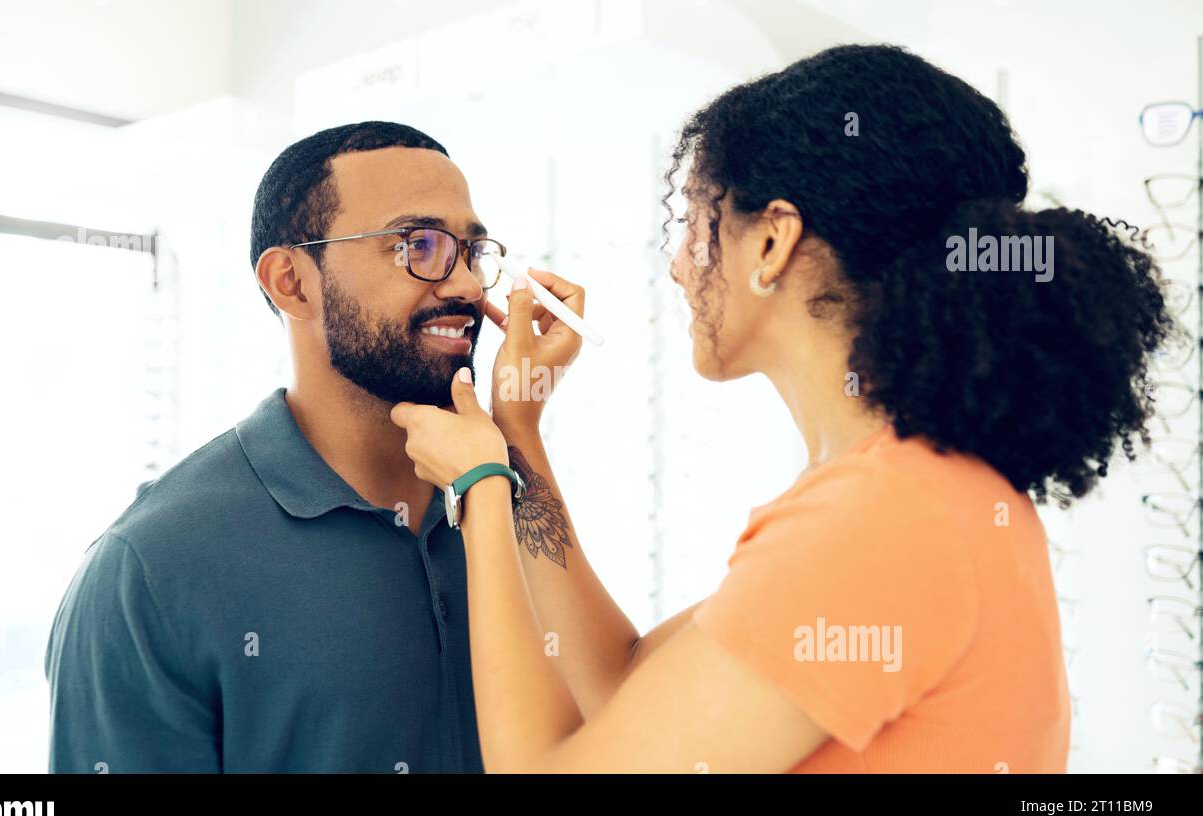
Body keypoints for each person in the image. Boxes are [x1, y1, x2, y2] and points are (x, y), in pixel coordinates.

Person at [388, 44, 1175, 772]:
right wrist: (518, 431)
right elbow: (618, 680)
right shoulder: (915, 492)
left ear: (770, 243)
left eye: (693, 223)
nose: (676, 266)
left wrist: (481, 491)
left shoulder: (882, 521)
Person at [45, 121, 509, 772]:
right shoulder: (148, 570)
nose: (465, 285)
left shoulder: (500, 504)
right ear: (291, 281)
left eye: (472, 249)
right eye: (419, 245)